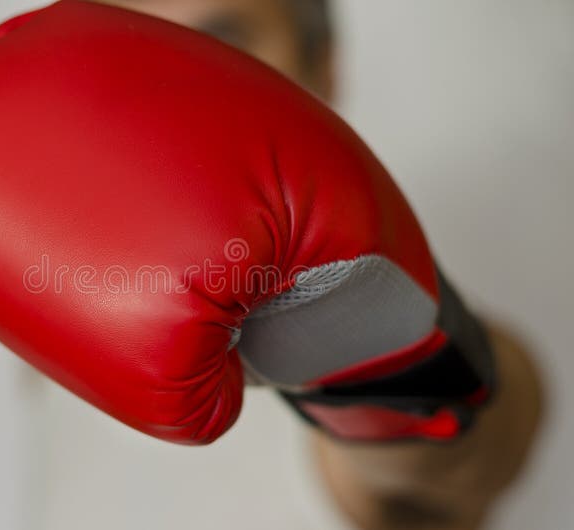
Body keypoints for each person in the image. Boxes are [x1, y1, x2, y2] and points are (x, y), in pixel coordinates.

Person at [93, 1, 545, 529]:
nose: (173, 85)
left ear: (322, 68)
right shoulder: (54, 278)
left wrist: (342, 332)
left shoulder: (379, 303)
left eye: (224, 42)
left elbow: (474, 454)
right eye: (136, 51)